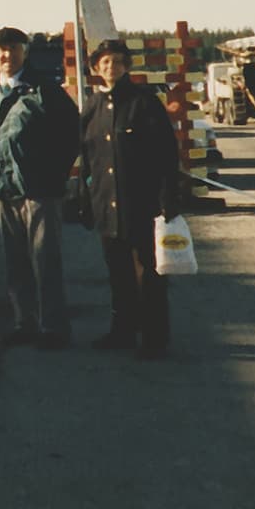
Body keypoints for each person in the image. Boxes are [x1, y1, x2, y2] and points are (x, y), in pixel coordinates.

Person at [77, 38, 183, 359]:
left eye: (118, 62)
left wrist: (168, 200)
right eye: (105, 63)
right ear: (96, 68)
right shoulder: (93, 106)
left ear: (127, 67)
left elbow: (166, 154)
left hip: (142, 205)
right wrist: (85, 199)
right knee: (118, 273)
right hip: (107, 205)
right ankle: (122, 331)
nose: (112, 68)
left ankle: (154, 338)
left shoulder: (144, 102)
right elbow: (88, 158)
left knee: (150, 274)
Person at [0, 26, 81, 350]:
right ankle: (24, 323)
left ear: (24, 52)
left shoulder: (44, 90)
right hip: (5, 188)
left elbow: (72, 133)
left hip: (39, 190)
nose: (7, 55)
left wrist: (54, 174)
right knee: (16, 263)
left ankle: (54, 329)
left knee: (45, 261)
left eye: (13, 48)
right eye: (1, 49)